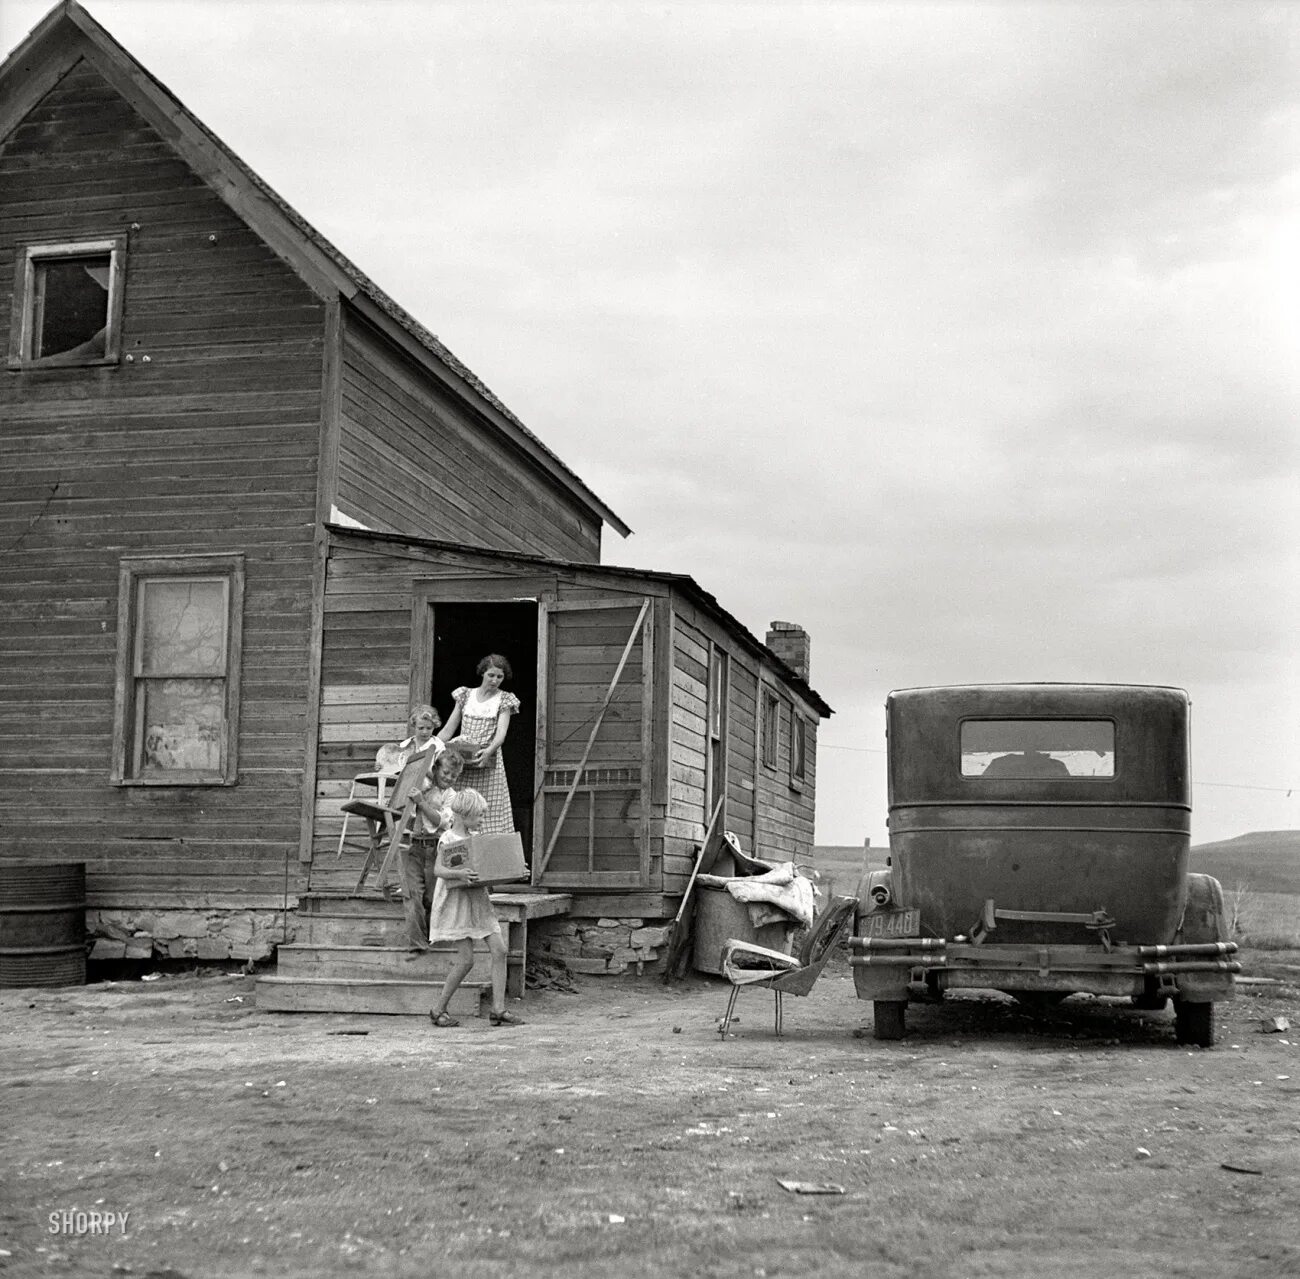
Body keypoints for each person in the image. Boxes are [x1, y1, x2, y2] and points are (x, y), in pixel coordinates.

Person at [427, 788, 524, 1028]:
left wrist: (515, 870)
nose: (482, 819)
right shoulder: (448, 838)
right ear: (463, 815)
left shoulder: (477, 839)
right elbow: (438, 870)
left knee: (500, 950)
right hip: (457, 904)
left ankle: (498, 1009)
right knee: (466, 960)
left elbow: (489, 870)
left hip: (478, 902)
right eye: (479, 815)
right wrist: (459, 873)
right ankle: (438, 1009)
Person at [437, 655, 520, 834]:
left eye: (499, 677)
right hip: (463, 761)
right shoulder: (465, 695)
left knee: (488, 810)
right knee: (461, 804)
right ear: (483, 673)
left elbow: (501, 735)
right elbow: (449, 729)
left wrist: (489, 750)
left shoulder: (504, 699)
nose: (495, 680)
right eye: (491, 675)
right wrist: (434, 747)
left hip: (487, 761)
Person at [401, 749, 465, 952]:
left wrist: (421, 802)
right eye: (445, 772)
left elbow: (441, 822)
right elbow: (407, 770)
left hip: (436, 849)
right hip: (414, 846)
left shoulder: (452, 797)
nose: (449, 778)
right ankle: (417, 944)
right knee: (413, 895)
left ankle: (432, 939)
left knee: (432, 897)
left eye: (454, 776)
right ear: (436, 769)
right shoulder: (424, 785)